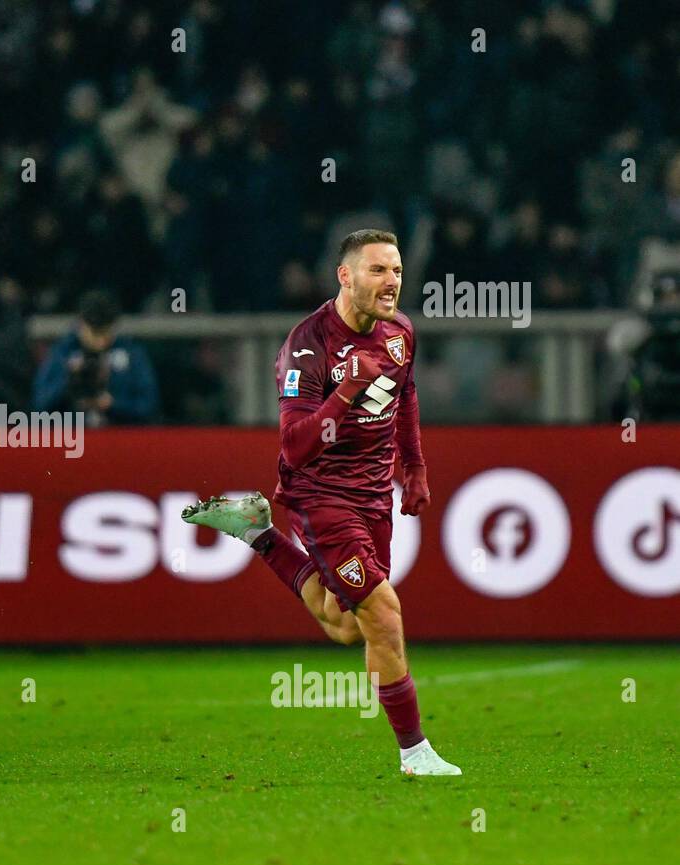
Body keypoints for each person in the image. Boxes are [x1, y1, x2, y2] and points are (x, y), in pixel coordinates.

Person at [183, 229, 461, 777]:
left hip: (375, 493)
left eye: (397, 271)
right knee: (384, 613)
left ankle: (258, 534)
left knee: (346, 625)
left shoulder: (401, 332)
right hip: (320, 493)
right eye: (378, 271)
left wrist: (416, 467)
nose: (391, 283)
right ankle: (415, 752)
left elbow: (405, 396)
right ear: (345, 275)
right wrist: (344, 392)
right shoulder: (306, 347)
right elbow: (294, 444)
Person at [32, 289, 159, 426]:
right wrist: (68, 383)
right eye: (94, 332)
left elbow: (149, 406)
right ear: (81, 324)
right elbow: (39, 406)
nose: (100, 341)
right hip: (73, 437)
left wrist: (113, 405)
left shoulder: (131, 353)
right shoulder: (63, 352)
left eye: (105, 332)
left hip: (120, 436)